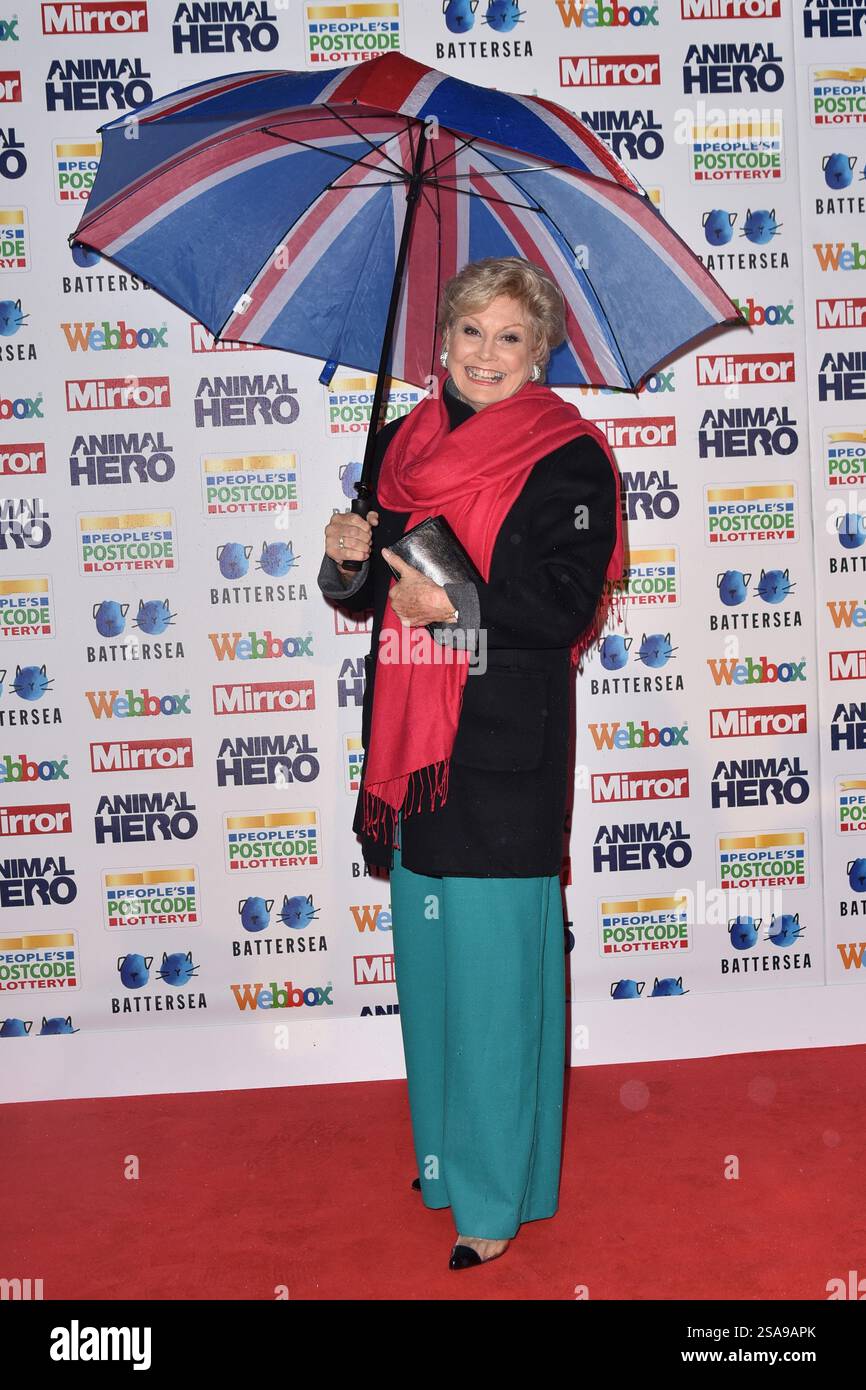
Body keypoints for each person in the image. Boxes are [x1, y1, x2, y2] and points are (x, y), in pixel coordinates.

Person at [317, 256, 623, 1270]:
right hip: (412, 751)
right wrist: (345, 554)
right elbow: (362, 596)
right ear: (439, 342)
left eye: (507, 338)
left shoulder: (567, 458)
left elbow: (564, 608)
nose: (484, 355)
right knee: (435, 968)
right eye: (467, 334)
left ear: (538, 354)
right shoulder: (395, 445)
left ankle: (495, 1199)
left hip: (497, 750)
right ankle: (447, 1159)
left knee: (496, 981)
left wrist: (460, 613)